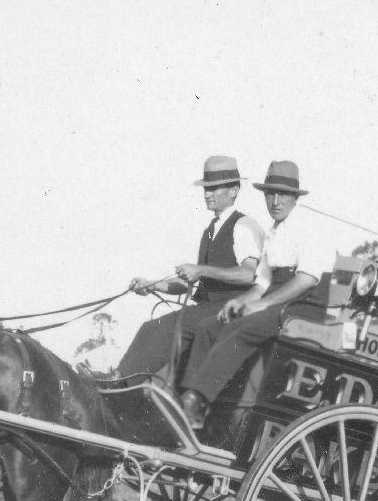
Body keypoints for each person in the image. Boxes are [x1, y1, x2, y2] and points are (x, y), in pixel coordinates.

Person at [177, 160, 320, 428]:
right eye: (270, 194)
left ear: (295, 197)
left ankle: (198, 398)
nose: (275, 201)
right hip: (277, 295)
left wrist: (261, 306)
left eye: (283, 194)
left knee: (243, 327)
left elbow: (306, 279)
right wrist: (241, 300)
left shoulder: (309, 227)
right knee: (211, 325)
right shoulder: (275, 231)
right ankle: (192, 404)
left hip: (303, 303)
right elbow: (263, 281)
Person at [114, 155, 266, 381]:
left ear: (234, 190)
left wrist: (201, 270)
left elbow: (248, 274)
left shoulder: (242, 226)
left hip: (231, 308)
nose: (207, 194)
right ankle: (119, 377)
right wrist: (153, 285)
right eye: (206, 188)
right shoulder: (211, 229)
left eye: (214, 188)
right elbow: (191, 282)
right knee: (149, 327)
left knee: (173, 326)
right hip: (207, 306)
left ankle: (121, 381)